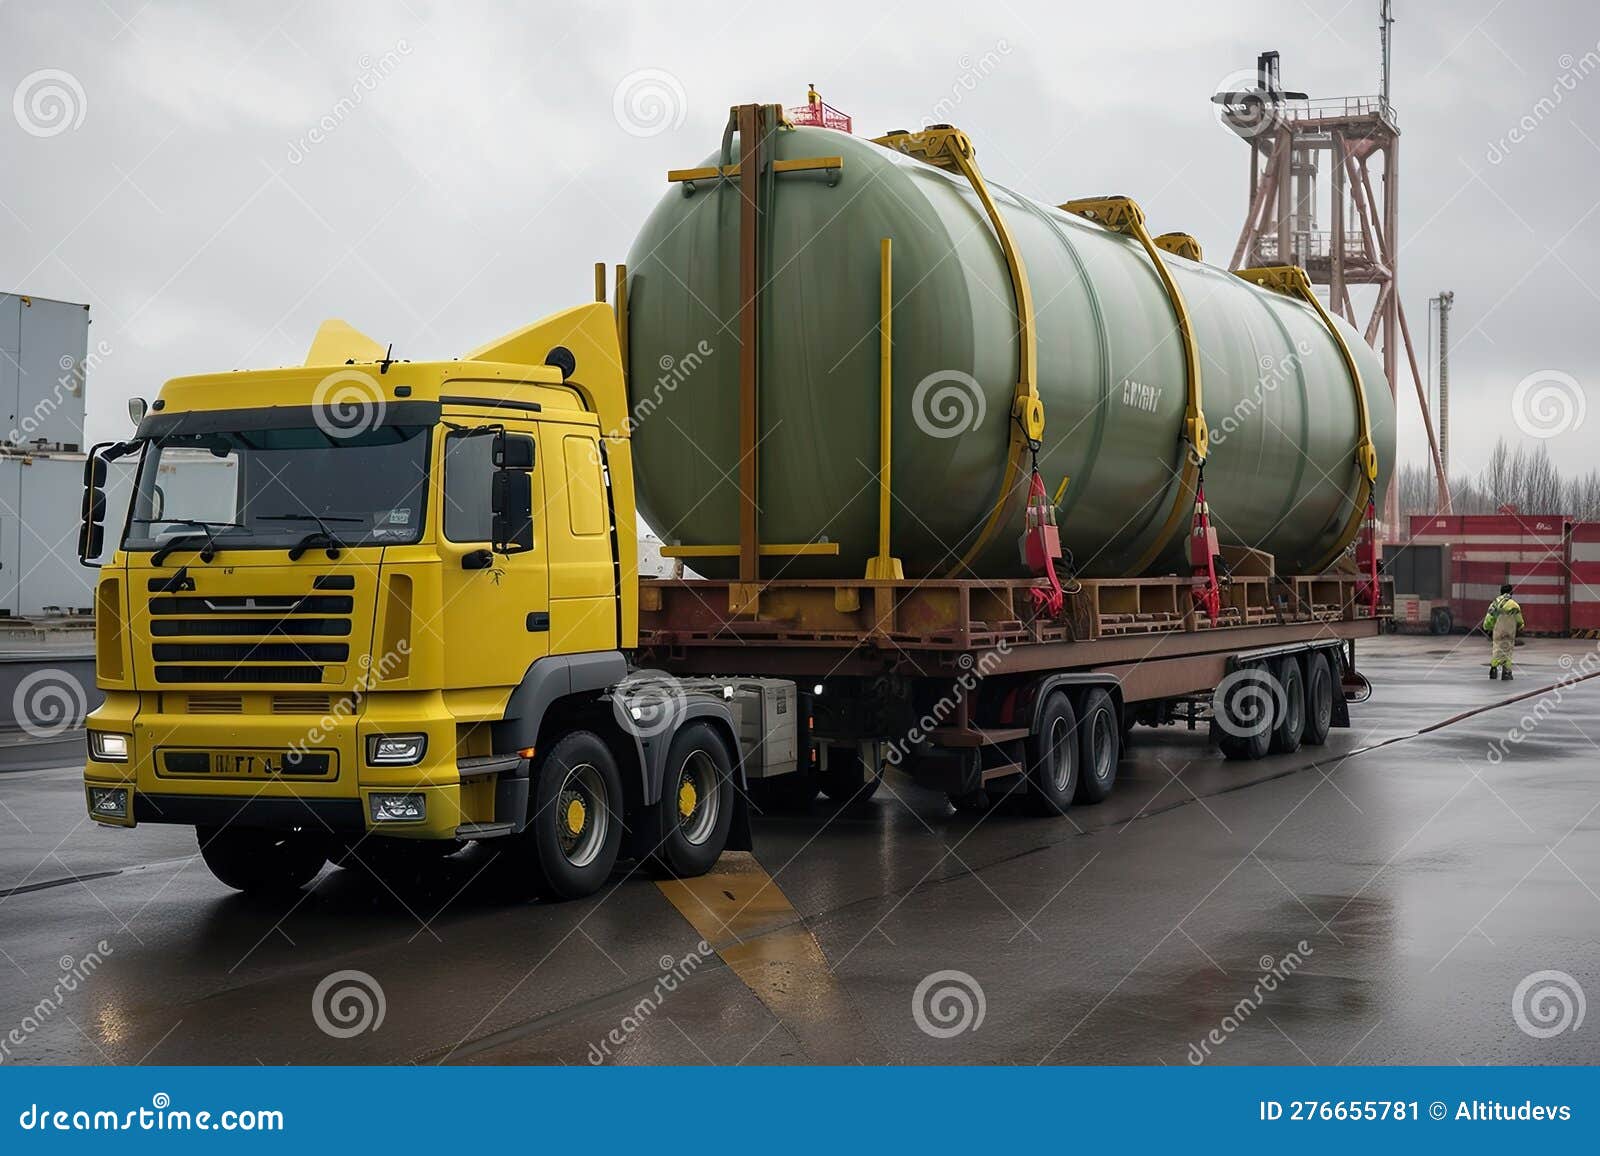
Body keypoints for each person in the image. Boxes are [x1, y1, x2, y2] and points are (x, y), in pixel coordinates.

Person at [1482, 583, 1525, 681]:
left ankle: (1493, 669)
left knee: (1497, 648)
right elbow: (1519, 620)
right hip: (1510, 631)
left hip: (1498, 630)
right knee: (1508, 650)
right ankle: (1506, 672)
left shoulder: (1494, 604)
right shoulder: (1514, 605)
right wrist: (1521, 626)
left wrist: (1488, 627)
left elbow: (1489, 618)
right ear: (1511, 592)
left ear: (1500, 592)